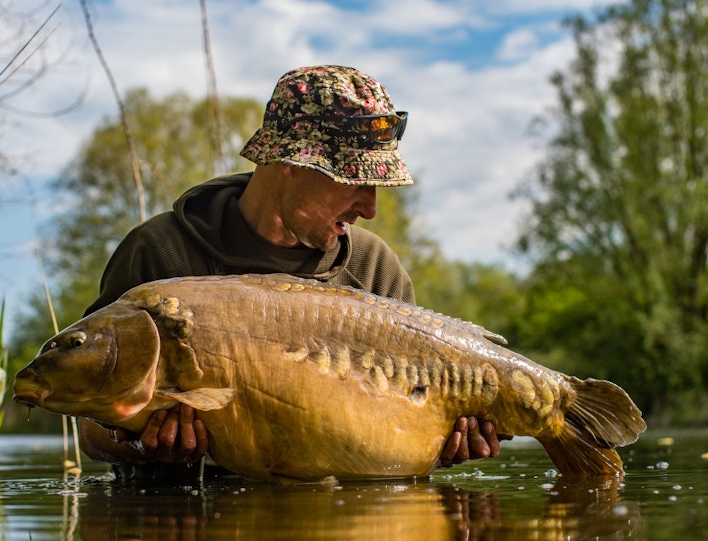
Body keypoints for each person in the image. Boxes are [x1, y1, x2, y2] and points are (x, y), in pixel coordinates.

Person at [78, 64, 505, 479]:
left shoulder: (374, 269)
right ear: (292, 160)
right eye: (354, 180)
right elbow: (89, 428)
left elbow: (410, 425)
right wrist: (141, 447)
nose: (371, 208)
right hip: (183, 516)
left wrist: (439, 446)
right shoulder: (161, 253)